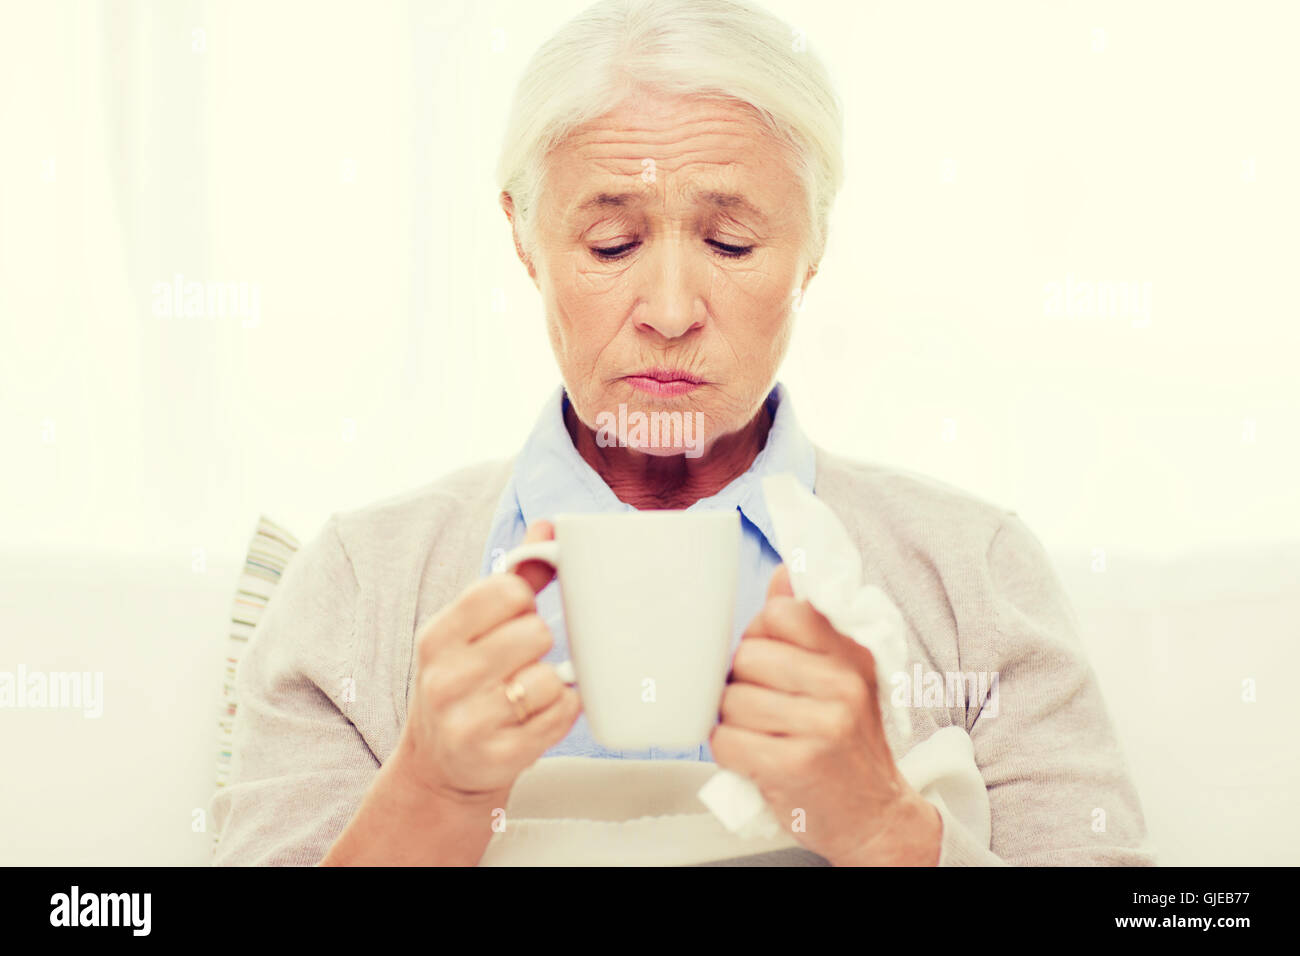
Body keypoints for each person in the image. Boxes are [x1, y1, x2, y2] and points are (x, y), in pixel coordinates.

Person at [210, 0, 1154, 866]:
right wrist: (429, 793)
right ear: (523, 236)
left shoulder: (970, 573)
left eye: (731, 244)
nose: (668, 309)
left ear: (814, 246)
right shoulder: (358, 587)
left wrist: (881, 825)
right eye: (612, 244)